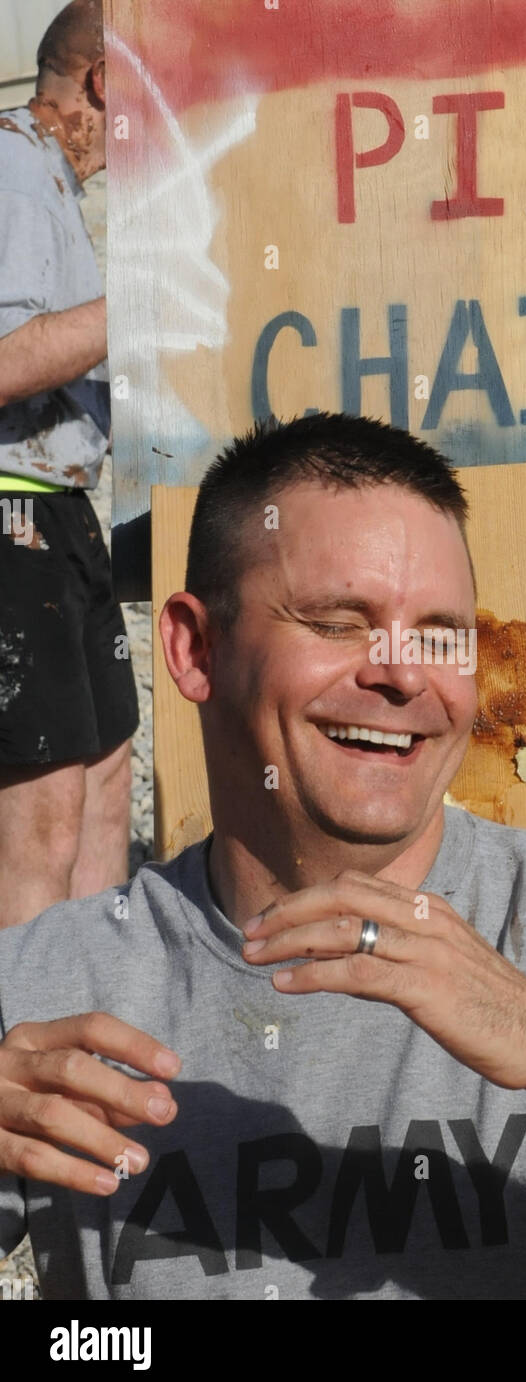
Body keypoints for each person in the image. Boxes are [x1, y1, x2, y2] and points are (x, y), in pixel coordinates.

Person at [0, 412, 526, 1302]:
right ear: (194, 647)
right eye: (337, 621)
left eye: (441, 635)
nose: (403, 676)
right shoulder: (55, 987)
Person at [0, 0, 138, 929]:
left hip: (66, 513)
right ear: (101, 81)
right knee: (42, 817)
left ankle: (94, 1031)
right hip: (13, 515)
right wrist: (147, 295)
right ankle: (24, 1051)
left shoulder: (46, 180)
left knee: (104, 778)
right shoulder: (9, 164)